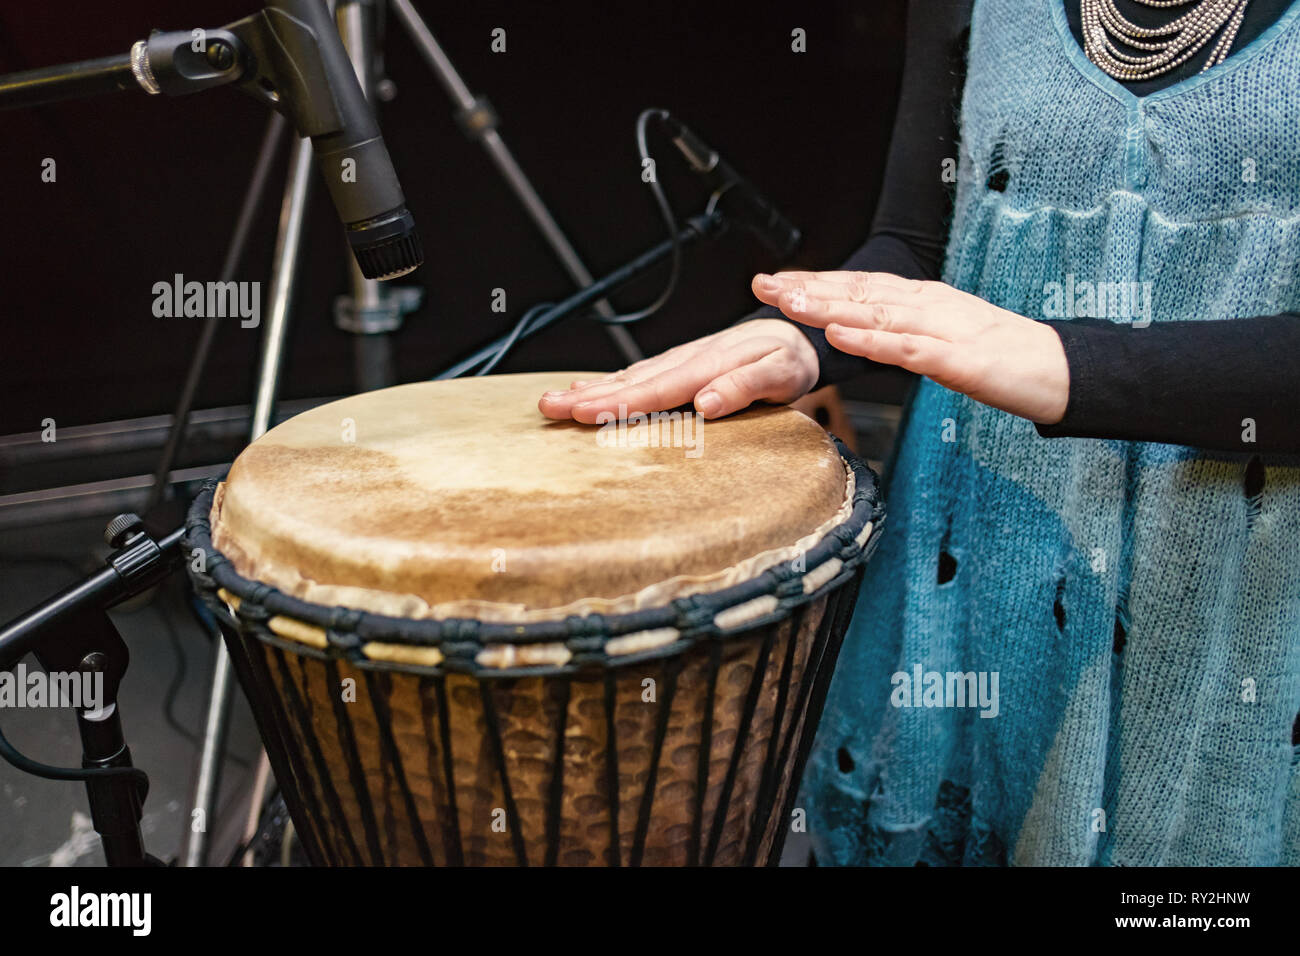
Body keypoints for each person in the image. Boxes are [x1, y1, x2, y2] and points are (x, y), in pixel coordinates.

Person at [541, 0, 1300, 865]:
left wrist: (1069, 365)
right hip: (978, 545)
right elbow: (918, 235)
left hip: (1241, 580)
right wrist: (803, 339)